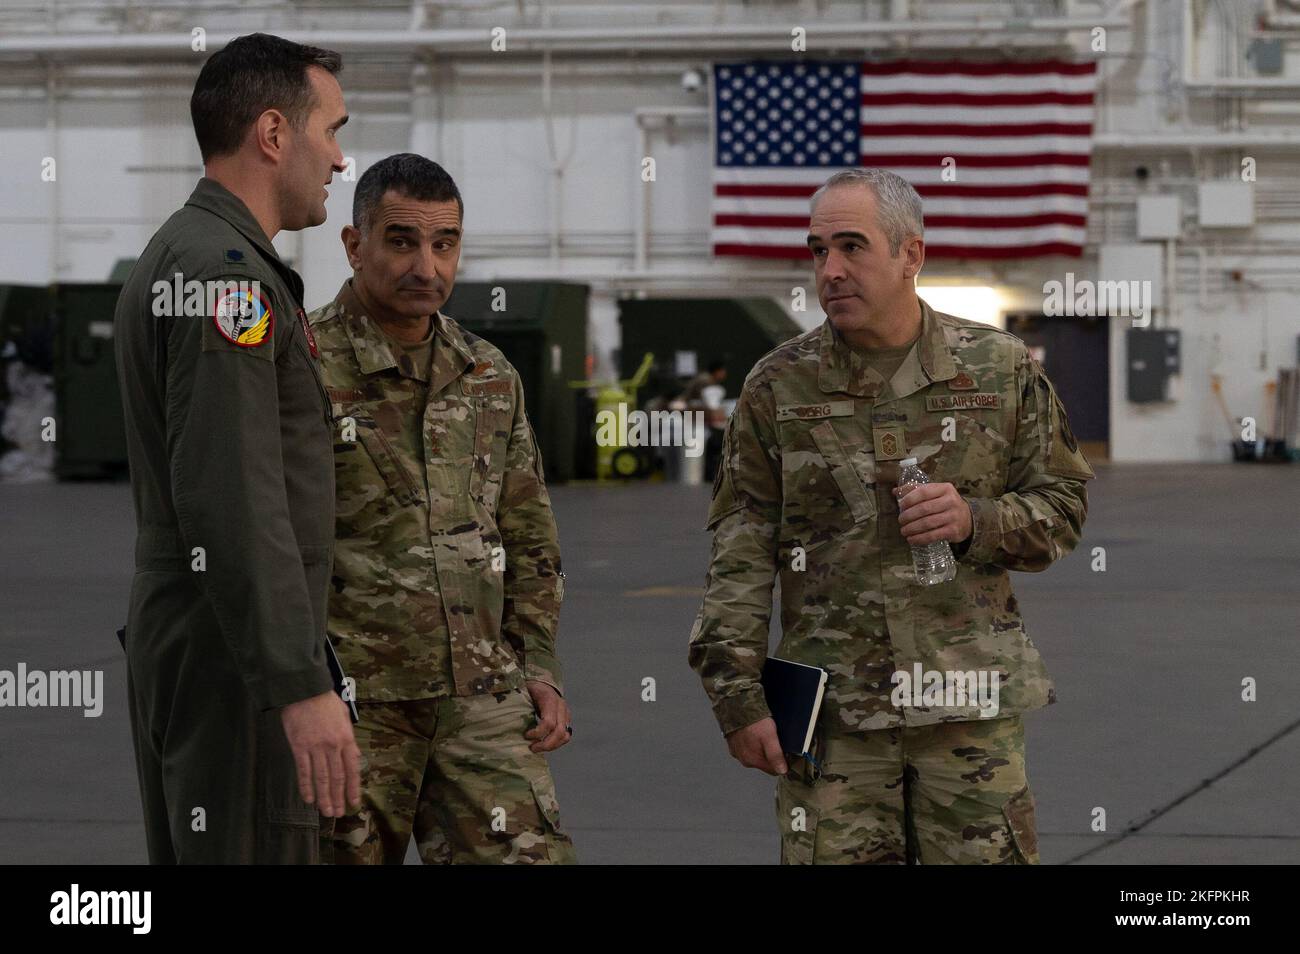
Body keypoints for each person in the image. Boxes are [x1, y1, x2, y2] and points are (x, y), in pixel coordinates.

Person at [688, 167, 1095, 864]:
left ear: (912, 254)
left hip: (966, 706)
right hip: (835, 718)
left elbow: (1063, 507)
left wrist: (975, 521)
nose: (832, 270)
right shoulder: (777, 385)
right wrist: (735, 693)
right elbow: (741, 547)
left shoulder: (996, 370)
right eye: (819, 251)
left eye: (852, 247)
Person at [114, 33, 360, 864]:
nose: (339, 157)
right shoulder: (227, 278)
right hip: (236, 655)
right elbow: (233, 496)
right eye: (330, 129)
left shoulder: (196, 256)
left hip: (209, 635)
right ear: (271, 134)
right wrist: (296, 681)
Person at [309, 153, 576, 864]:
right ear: (354, 243)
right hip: (351, 708)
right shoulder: (298, 367)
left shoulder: (487, 374)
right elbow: (260, 543)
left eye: (444, 243)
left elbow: (528, 534)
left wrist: (538, 668)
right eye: (401, 240)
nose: (425, 264)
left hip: (481, 698)